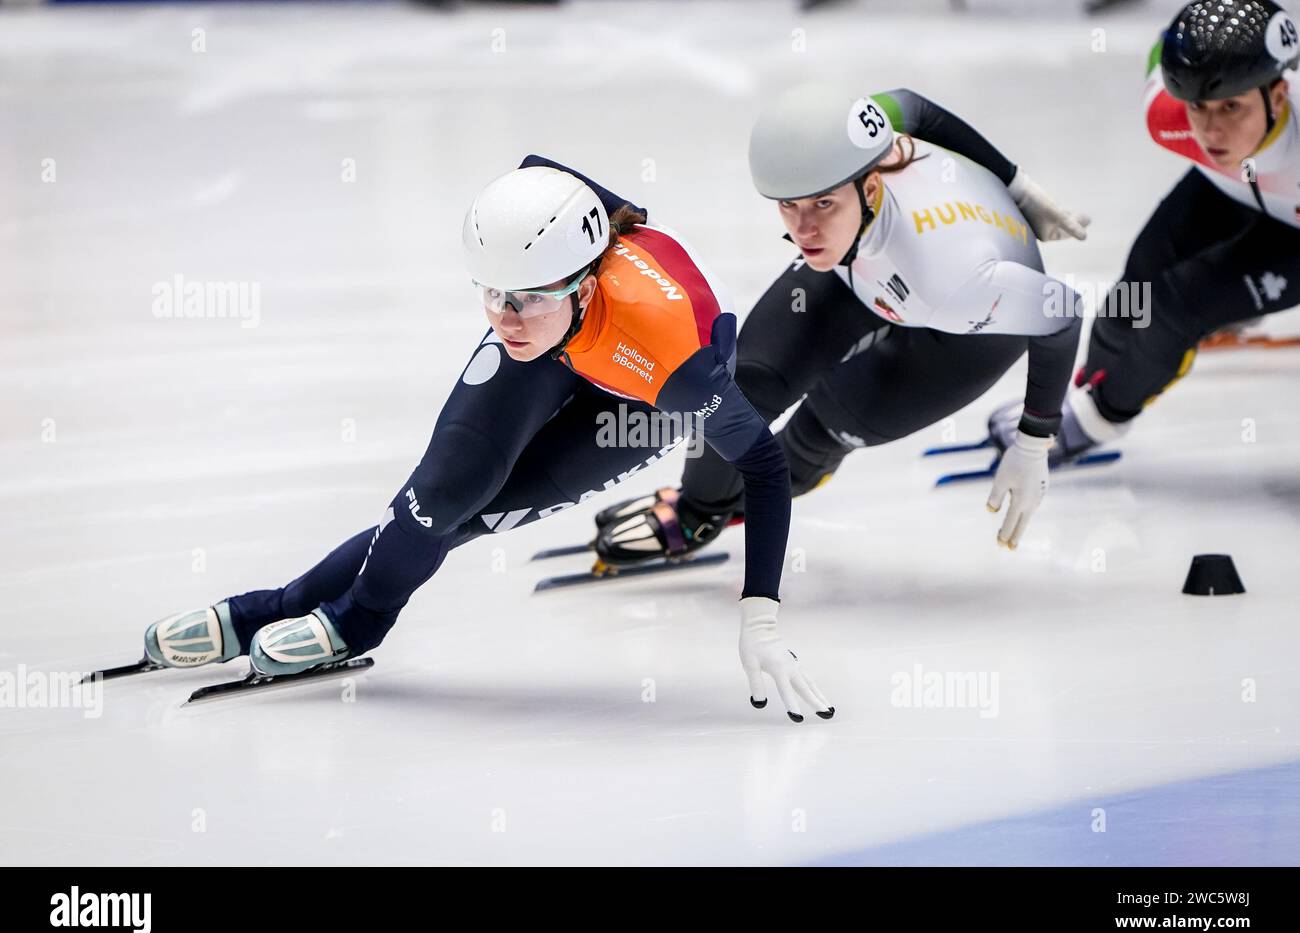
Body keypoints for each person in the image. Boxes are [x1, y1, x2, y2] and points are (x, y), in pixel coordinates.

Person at [140, 157, 834, 722]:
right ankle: (282, 604)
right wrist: (533, 293)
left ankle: (357, 622)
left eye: (525, 296)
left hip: (637, 392)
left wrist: (761, 616)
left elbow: (766, 467)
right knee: (436, 495)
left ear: (586, 285)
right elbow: (542, 174)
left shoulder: (677, 363)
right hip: (566, 341)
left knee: (476, 513)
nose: (504, 316)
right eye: (491, 292)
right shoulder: (532, 284)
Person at [594, 83, 1088, 566]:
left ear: (870, 185)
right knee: (741, 387)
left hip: (964, 331)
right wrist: (1017, 183)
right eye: (789, 205)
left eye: (823, 203)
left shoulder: (947, 275)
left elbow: (1061, 311)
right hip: (864, 261)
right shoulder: (857, 144)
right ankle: (694, 514)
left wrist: (1034, 442)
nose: (804, 229)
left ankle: (730, 509)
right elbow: (911, 105)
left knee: (819, 431)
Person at [990, 0, 1300, 463]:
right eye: (1198, 105)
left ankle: (1101, 419)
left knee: (1177, 305)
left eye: (1232, 106)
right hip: (1234, 188)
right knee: (1134, 289)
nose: (1211, 130)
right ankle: (1085, 387)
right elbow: (1163, 50)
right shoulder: (1167, 116)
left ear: (1278, 96)